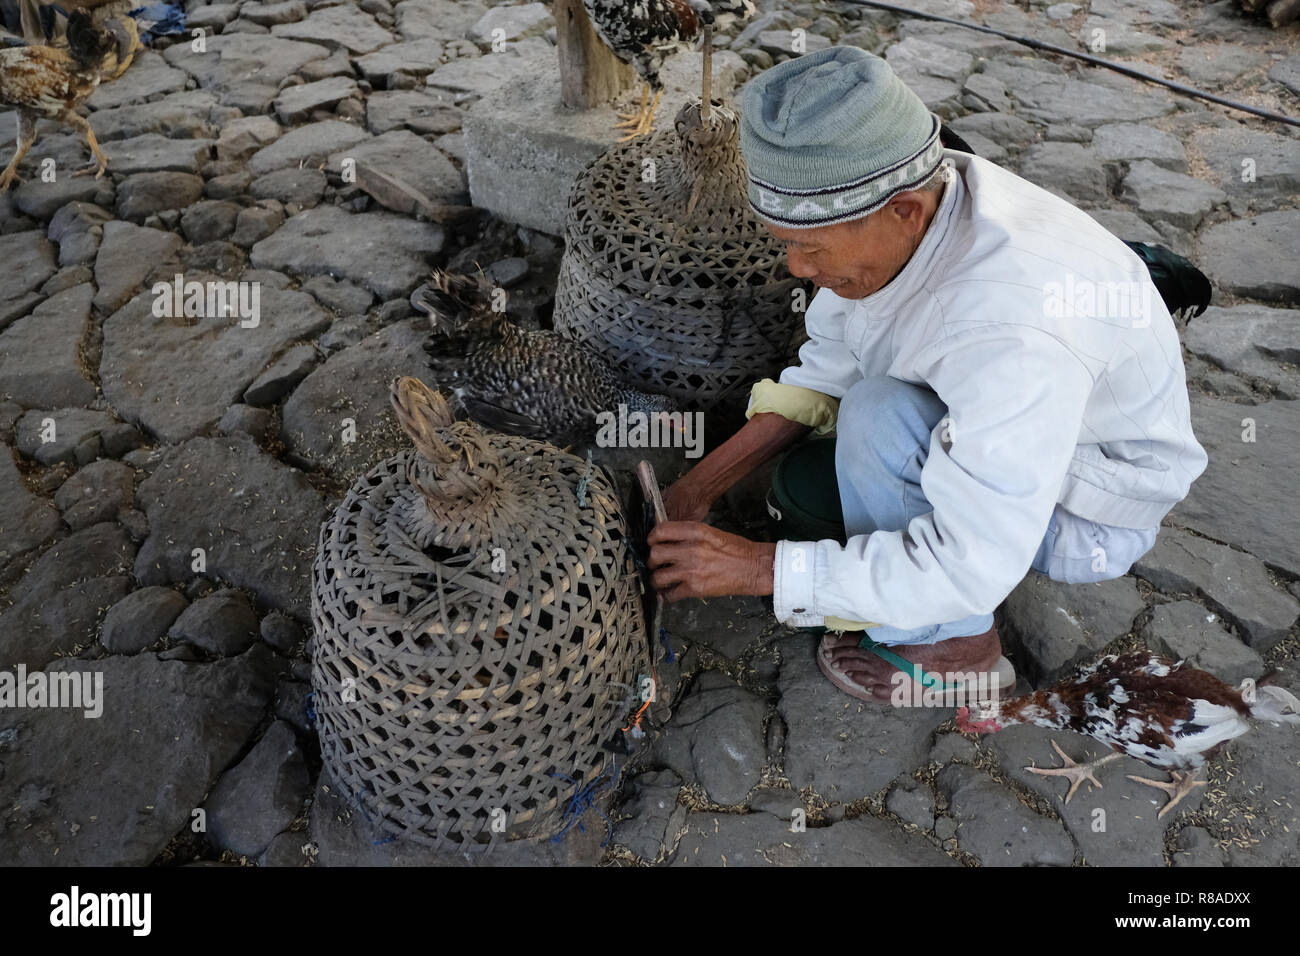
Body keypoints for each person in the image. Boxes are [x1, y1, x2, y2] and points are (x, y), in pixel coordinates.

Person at [646, 46, 1207, 702]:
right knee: (862, 416)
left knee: (877, 416)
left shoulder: (1013, 332)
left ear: (904, 211)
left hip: (1086, 502)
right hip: (1016, 434)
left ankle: (959, 646)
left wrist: (754, 568)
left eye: (810, 248)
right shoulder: (914, 203)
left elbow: (970, 560)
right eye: (787, 244)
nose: (796, 269)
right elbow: (830, 361)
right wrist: (699, 486)